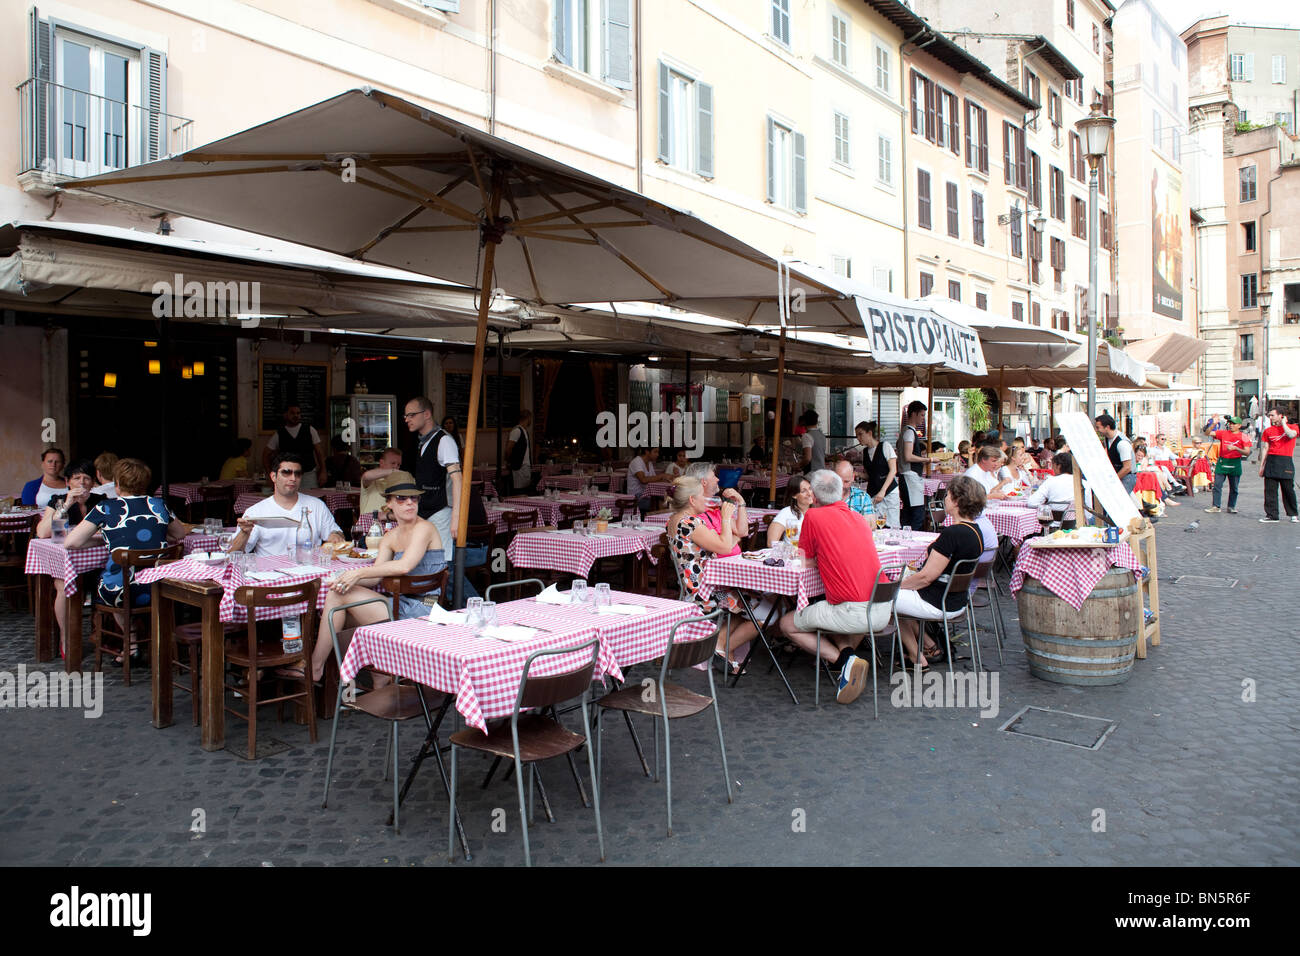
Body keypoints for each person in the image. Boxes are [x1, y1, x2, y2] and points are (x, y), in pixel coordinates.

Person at [302, 483, 446, 683]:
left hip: (427, 605)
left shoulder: (425, 527)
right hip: (399, 603)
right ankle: (377, 675)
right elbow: (375, 578)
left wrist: (358, 573)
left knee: (336, 601)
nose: (409, 503)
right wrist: (343, 577)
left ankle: (316, 667)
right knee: (339, 607)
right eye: (401, 499)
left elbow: (404, 566)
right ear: (389, 504)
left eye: (414, 498)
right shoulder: (390, 536)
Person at [776, 469, 889, 705]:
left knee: (786, 624)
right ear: (840, 492)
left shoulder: (814, 517)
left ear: (814, 496)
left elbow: (805, 561)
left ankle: (843, 661)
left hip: (854, 611)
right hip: (881, 608)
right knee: (829, 608)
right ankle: (849, 657)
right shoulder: (859, 518)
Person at [63, 458, 191, 656]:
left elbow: (71, 543)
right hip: (159, 587)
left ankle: (131, 642)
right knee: (125, 580)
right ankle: (153, 643)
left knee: (111, 582)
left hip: (120, 591)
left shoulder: (106, 507)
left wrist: (107, 538)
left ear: (117, 484)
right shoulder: (158, 505)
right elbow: (180, 534)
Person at [666, 476, 760, 669]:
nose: (708, 500)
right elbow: (725, 547)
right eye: (703, 496)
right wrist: (726, 518)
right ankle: (721, 646)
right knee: (754, 603)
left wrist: (730, 538)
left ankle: (723, 646)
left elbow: (723, 545)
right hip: (703, 591)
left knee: (746, 598)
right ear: (692, 500)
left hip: (694, 584)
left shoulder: (675, 520)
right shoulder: (691, 523)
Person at [894, 475, 987, 669]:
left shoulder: (952, 534)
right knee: (898, 600)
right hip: (957, 599)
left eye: (947, 495)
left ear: (956, 501)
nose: (944, 499)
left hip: (939, 601)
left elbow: (926, 577)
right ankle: (929, 645)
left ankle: (916, 657)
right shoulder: (976, 531)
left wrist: (896, 586)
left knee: (885, 599)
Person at [36, 459, 108, 655]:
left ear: (93, 483)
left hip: (96, 561)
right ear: (68, 482)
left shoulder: (100, 500)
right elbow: (42, 533)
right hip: (69, 562)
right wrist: (67, 504)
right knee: (62, 583)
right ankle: (66, 637)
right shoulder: (59, 500)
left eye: (87, 479)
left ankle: (101, 632)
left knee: (107, 577)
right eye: (77, 478)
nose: (82, 483)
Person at [230, 452, 345, 556]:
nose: (293, 478)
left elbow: (336, 533)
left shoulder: (317, 505)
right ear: (273, 476)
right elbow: (233, 554)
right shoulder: (255, 511)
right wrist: (244, 533)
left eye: (297, 474)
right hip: (270, 574)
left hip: (309, 571)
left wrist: (336, 536)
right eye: (286, 473)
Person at [402, 396, 462, 564]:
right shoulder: (423, 442)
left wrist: (456, 519)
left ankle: (468, 592)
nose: (407, 419)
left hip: (441, 511)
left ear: (427, 414)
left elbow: (457, 479)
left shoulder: (444, 440)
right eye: (405, 416)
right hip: (425, 510)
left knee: (442, 564)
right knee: (431, 563)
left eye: (411, 415)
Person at [263, 405, 327, 489]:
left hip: (308, 474)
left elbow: (319, 452)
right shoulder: (279, 433)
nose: (296, 415)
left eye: (298, 413)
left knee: (310, 500)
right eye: (292, 413)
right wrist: (269, 474)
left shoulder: (310, 430)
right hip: (287, 476)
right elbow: (265, 455)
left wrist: (323, 470)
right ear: (285, 415)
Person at [684, 462, 749, 543]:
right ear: (704, 482)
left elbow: (742, 532)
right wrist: (736, 538)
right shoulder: (696, 511)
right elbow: (721, 547)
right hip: (725, 555)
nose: (718, 479)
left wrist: (740, 501)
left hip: (735, 555)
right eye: (714, 476)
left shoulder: (715, 504)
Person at [1203, 415, 1250, 514]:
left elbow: (1247, 452)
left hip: (1235, 462)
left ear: (1239, 425)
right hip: (1222, 461)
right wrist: (1214, 424)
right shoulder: (1223, 433)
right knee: (1217, 485)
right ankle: (1216, 506)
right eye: (1230, 423)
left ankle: (1231, 506)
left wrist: (1236, 448)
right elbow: (1207, 433)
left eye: (1233, 423)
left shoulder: (1243, 436)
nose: (1231, 425)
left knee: (1234, 487)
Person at [1259, 407, 1299, 522]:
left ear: (1281, 415)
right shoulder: (1268, 431)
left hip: (1285, 461)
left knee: (1288, 489)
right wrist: (1262, 466)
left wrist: (1284, 424)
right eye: (1269, 415)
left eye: (1272, 415)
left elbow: (1291, 435)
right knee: (1270, 490)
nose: (1270, 418)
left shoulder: (1293, 427)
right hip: (1271, 461)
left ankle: (1293, 514)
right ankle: (1272, 515)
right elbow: (1265, 448)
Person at [857, 420, 899, 528]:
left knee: (891, 524)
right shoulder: (865, 452)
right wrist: (857, 474)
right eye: (857, 435)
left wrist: (883, 491)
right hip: (874, 493)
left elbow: (893, 470)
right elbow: (870, 475)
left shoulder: (885, 446)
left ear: (869, 433)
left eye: (860, 434)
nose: (858, 438)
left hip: (889, 492)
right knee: (875, 525)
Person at [898, 401, 931, 530]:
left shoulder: (906, 431)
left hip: (907, 476)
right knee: (916, 513)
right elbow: (908, 456)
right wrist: (927, 460)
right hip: (909, 476)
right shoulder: (909, 432)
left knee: (909, 512)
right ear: (914, 414)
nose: (923, 418)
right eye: (922, 415)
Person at [359, 447, 415, 516]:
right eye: (393, 463)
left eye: (398, 465)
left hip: (390, 522)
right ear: (381, 463)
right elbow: (366, 476)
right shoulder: (373, 480)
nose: (396, 467)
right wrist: (394, 471)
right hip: (369, 524)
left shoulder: (398, 482)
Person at [766, 475, 813, 546]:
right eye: (803, 491)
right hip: (793, 554)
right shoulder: (787, 513)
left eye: (810, 488)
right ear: (794, 495)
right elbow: (771, 542)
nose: (809, 493)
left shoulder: (819, 511)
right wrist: (788, 551)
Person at [1095, 414, 1136, 493]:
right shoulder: (1107, 439)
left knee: (1119, 501)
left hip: (1126, 477)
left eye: (1098, 427)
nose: (1097, 430)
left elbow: (1127, 467)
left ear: (1107, 427)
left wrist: (1114, 481)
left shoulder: (1122, 443)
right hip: (1119, 474)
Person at [627, 446, 660, 518]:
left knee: (665, 500)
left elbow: (654, 479)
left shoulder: (649, 463)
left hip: (646, 496)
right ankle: (654, 521)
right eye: (655, 452)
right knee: (660, 504)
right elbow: (643, 480)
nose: (657, 454)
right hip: (636, 497)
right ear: (647, 451)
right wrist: (662, 476)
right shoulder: (637, 462)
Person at [505, 409, 533, 496]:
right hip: (519, 467)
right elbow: (509, 448)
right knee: (519, 492)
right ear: (527, 418)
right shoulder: (517, 431)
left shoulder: (524, 431)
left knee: (525, 490)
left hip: (525, 466)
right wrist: (510, 461)